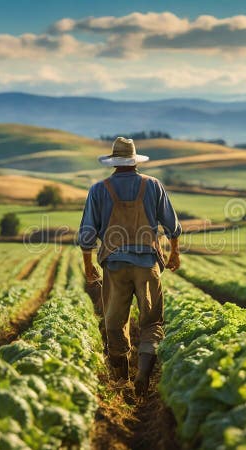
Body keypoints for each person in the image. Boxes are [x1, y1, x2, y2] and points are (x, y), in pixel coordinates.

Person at [78, 137, 182, 397]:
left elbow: (87, 234)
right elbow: (172, 225)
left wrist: (88, 265)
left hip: (115, 266)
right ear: (135, 161)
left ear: (114, 162)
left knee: (114, 322)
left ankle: (122, 380)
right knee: (151, 321)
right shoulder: (153, 185)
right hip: (147, 264)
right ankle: (143, 375)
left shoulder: (98, 189)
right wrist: (174, 253)